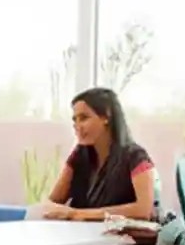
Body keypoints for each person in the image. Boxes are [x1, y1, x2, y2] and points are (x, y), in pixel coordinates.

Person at [45, 87, 156, 222]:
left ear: (106, 117)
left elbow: (144, 210)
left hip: (124, 240)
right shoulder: (79, 156)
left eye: (84, 118)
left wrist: (77, 214)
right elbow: (51, 204)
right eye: (75, 120)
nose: (77, 126)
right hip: (86, 237)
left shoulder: (135, 156)